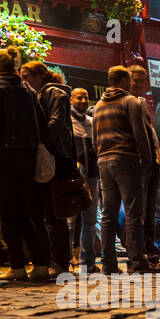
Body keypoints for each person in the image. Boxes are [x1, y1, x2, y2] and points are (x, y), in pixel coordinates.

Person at [0, 48, 50, 281]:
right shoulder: (28, 89)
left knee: (10, 211)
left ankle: (18, 266)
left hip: (4, 154)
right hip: (28, 153)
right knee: (30, 209)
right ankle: (41, 264)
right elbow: (41, 121)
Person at [92, 65, 152, 274]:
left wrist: (101, 156)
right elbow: (140, 133)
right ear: (124, 81)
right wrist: (147, 159)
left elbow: (94, 140)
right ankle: (137, 262)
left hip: (103, 161)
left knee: (108, 213)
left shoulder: (98, 105)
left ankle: (108, 264)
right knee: (133, 213)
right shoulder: (130, 102)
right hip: (126, 159)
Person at [21, 61, 77, 274]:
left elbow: (56, 122)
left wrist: (42, 144)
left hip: (56, 158)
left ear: (38, 76)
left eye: (26, 76)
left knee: (56, 214)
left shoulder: (53, 93)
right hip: (51, 157)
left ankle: (61, 262)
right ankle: (55, 260)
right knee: (48, 212)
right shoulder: (39, 95)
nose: (24, 81)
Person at [128, 65, 160, 269]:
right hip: (138, 164)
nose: (139, 84)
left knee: (150, 210)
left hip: (151, 163)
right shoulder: (126, 102)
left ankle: (151, 256)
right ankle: (138, 257)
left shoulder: (141, 102)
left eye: (142, 80)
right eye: (135, 80)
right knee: (138, 213)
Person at [69, 88, 99, 272]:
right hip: (73, 177)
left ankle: (88, 262)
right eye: (79, 97)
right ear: (72, 99)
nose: (83, 100)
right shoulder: (67, 121)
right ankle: (68, 261)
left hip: (93, 176)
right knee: (70, 221)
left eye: (86, 97)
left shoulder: (92, 122)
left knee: (90, 220)